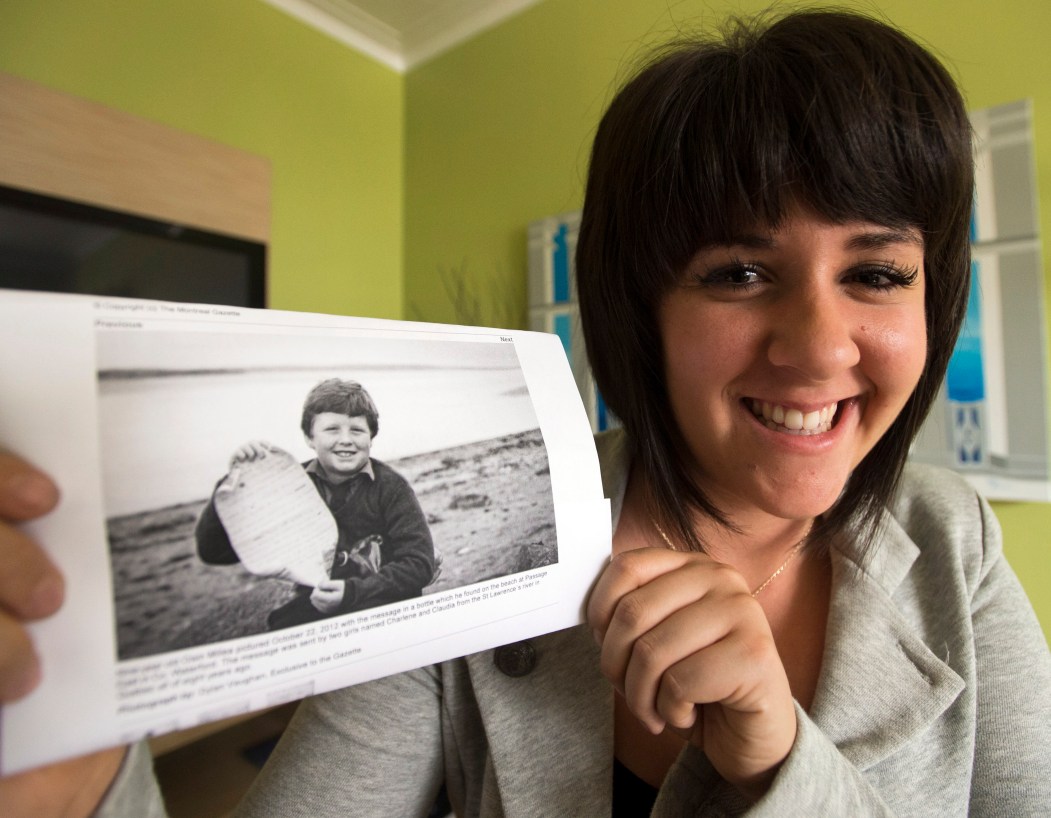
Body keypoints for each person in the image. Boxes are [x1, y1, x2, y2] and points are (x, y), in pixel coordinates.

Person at [1, 8, 1050, 817]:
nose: (820, 346)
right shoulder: (482, 569)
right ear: (641, 309)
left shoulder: (950, 541)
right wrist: (74, 777)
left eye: (876, 272)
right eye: (736, 270)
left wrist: (779, 758)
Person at [194, 378, 437, 630]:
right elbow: (214, 552)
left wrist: (351, 592)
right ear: (310, 438)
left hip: (384, 602)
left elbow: (419, 565)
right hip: (318, 601)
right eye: (332, 429)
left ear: (371, 437)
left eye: (357, 430)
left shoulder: (391, 487)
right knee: (282, 624)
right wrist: (236, 482)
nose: (346, 439)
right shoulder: (286, 485)